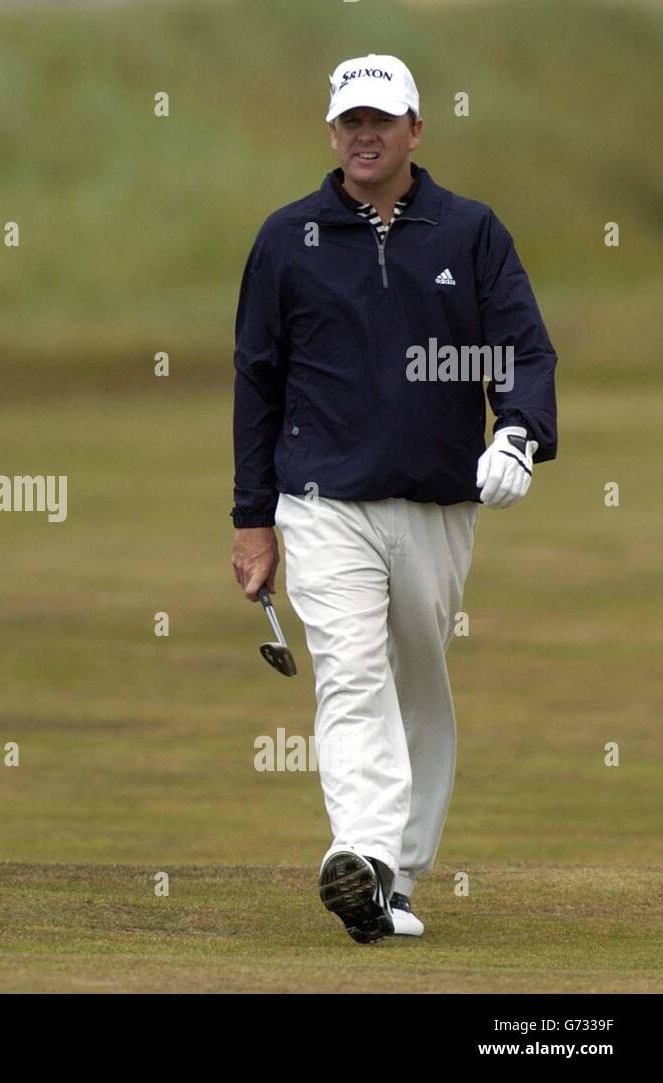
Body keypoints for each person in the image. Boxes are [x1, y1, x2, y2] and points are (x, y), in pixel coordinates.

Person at [230, 56, 557, 942]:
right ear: (331, 132)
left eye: (382, 119)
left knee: (417, 678)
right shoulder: (286, 237)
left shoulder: (469, 232)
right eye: (350, 122)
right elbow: (256, 383)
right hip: (321, 499)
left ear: (416, 127)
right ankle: (365, 855)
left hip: (437, 502)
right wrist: (252, 518)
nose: (365, 135)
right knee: (351, 673)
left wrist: (519, 433)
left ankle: (401, 873)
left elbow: (523, 348)